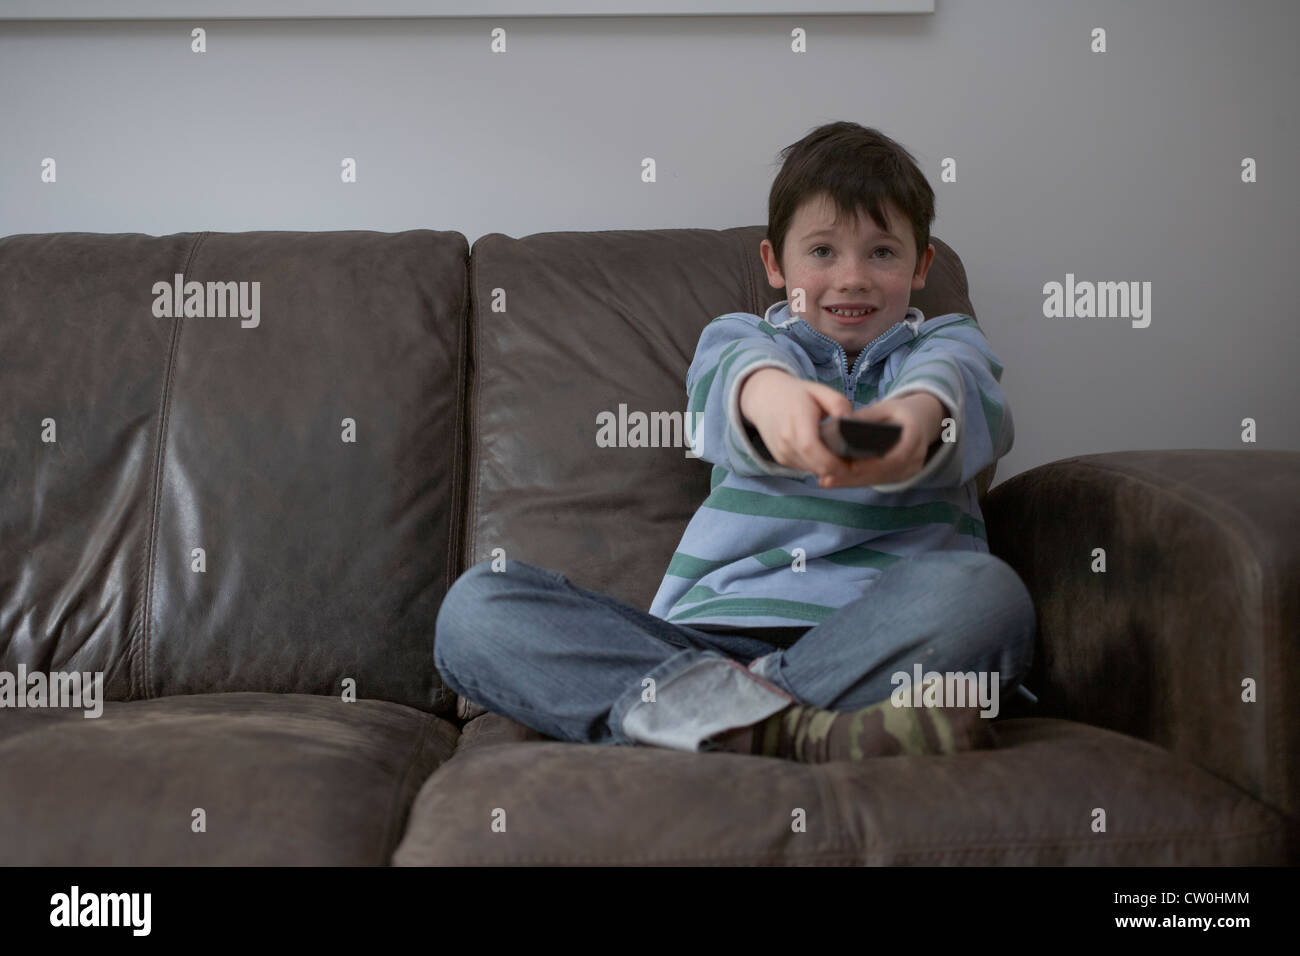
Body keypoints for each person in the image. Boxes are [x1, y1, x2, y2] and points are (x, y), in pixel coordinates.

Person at [434, 121, 1036, 763]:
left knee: (987, 594)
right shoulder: (745, 338)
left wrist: (905, 431)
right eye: (823, 251)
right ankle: (800, 734)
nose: (853, 277)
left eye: (882, 253)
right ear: (775, 264)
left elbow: (950, 394)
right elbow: (742, 386)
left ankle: (722, 724)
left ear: (922, 265)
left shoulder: (948, 342)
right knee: (476, 609)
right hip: (702, 646)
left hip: (870, 643)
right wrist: (783, 410)